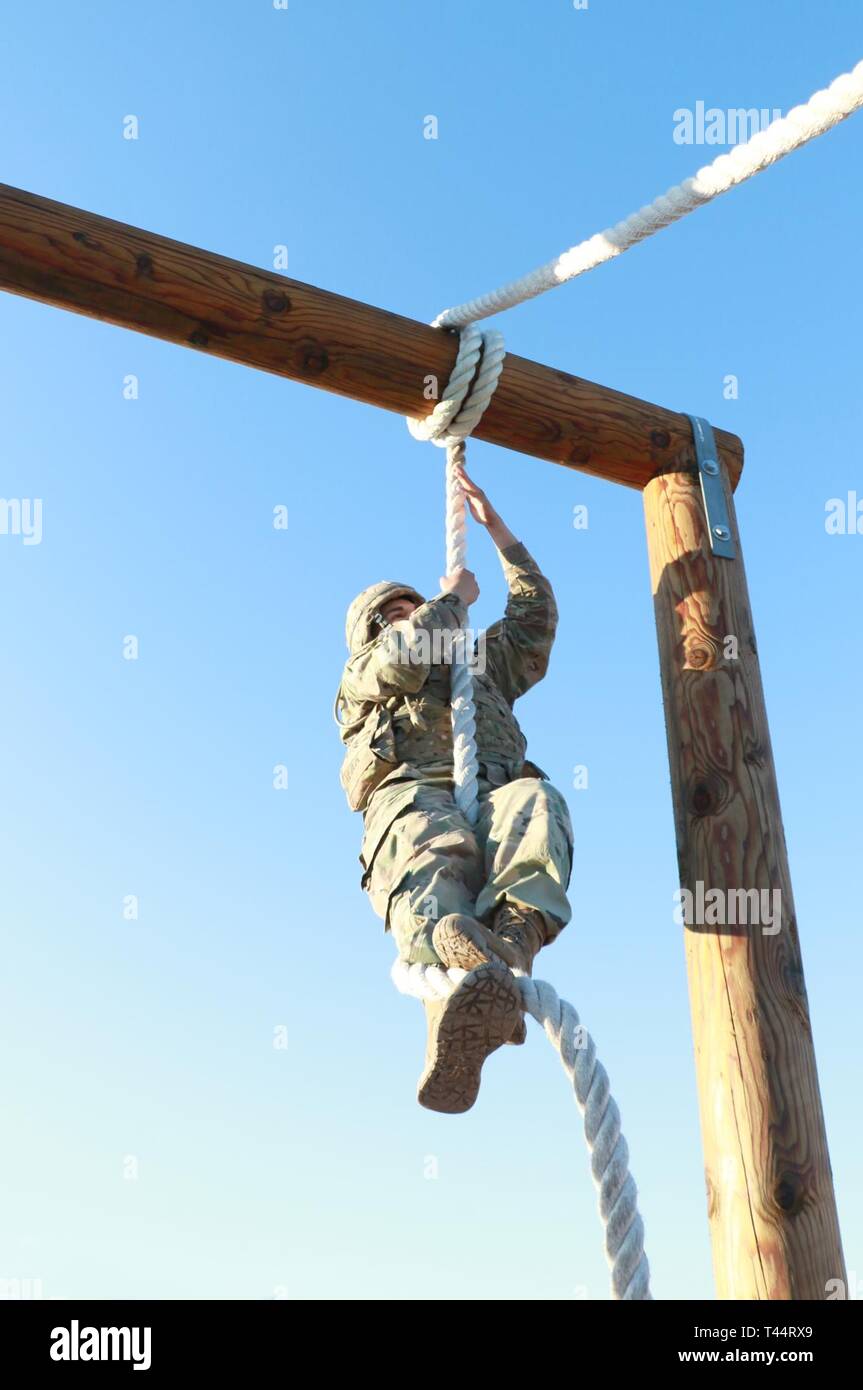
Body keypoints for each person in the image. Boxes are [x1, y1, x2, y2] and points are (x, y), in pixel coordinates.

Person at [335, 464, 574, 1113]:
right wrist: (453, 602)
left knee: (538, 806)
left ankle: (505, 952)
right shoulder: (364, 677)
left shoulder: (478, 666)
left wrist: (498, 534)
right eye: (391, 614)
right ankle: (452, 1011)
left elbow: (533, 621)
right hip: (415, 789)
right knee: (428, 844)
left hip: (495, 788)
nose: (406, 616)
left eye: (410, 606)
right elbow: (404, 654)